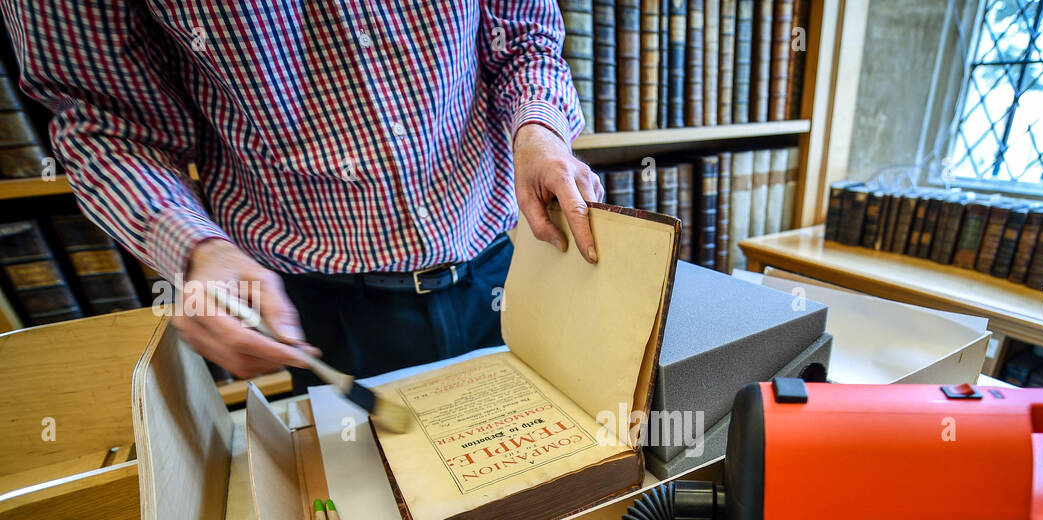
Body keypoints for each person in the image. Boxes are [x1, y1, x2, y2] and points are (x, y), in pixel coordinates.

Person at [1, 0, 603, 390]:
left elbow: (524, 37)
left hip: (515, 258)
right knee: (380, 504)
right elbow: (106, 125)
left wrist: (539, 129)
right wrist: (195, 252)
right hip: (321, 310)